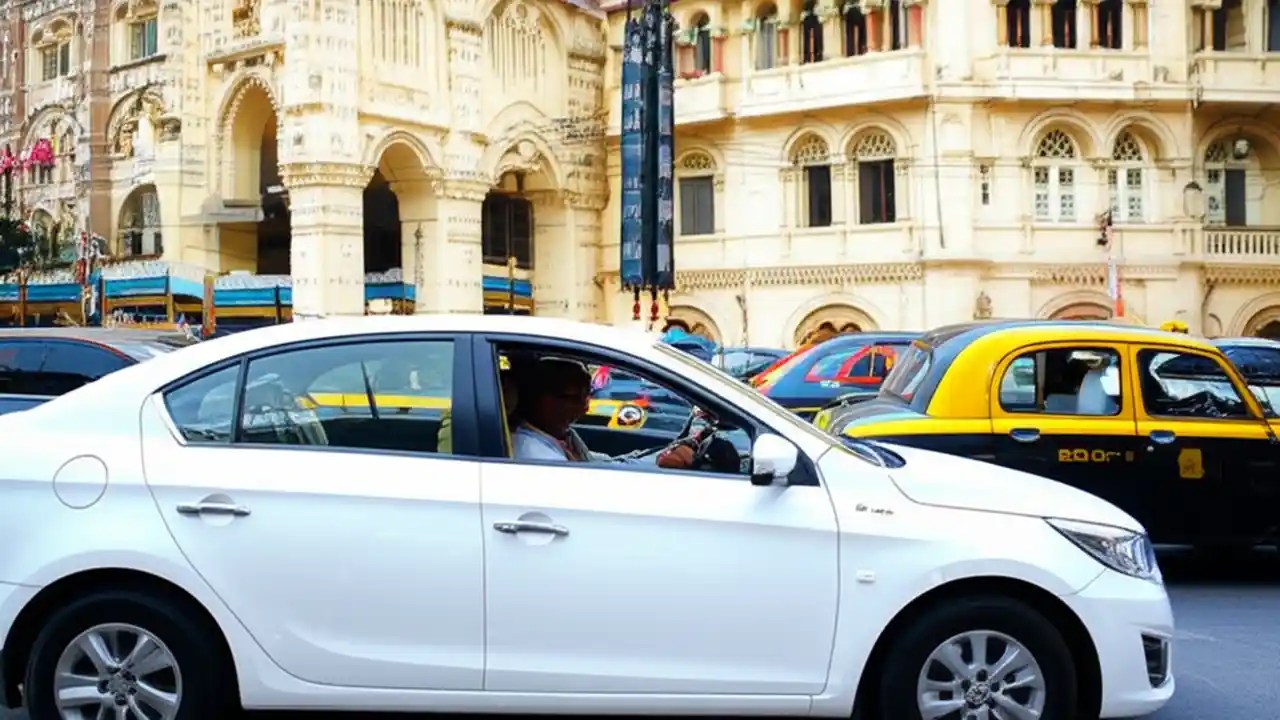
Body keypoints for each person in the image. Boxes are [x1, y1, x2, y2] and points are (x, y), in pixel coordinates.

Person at [510, 357, 695, 469]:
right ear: (545, 401)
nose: (585, 407)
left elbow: (600, 464)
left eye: (587, 396)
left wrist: (659, 458)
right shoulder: (537, 455)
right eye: (576, 398)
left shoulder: (559, 435)